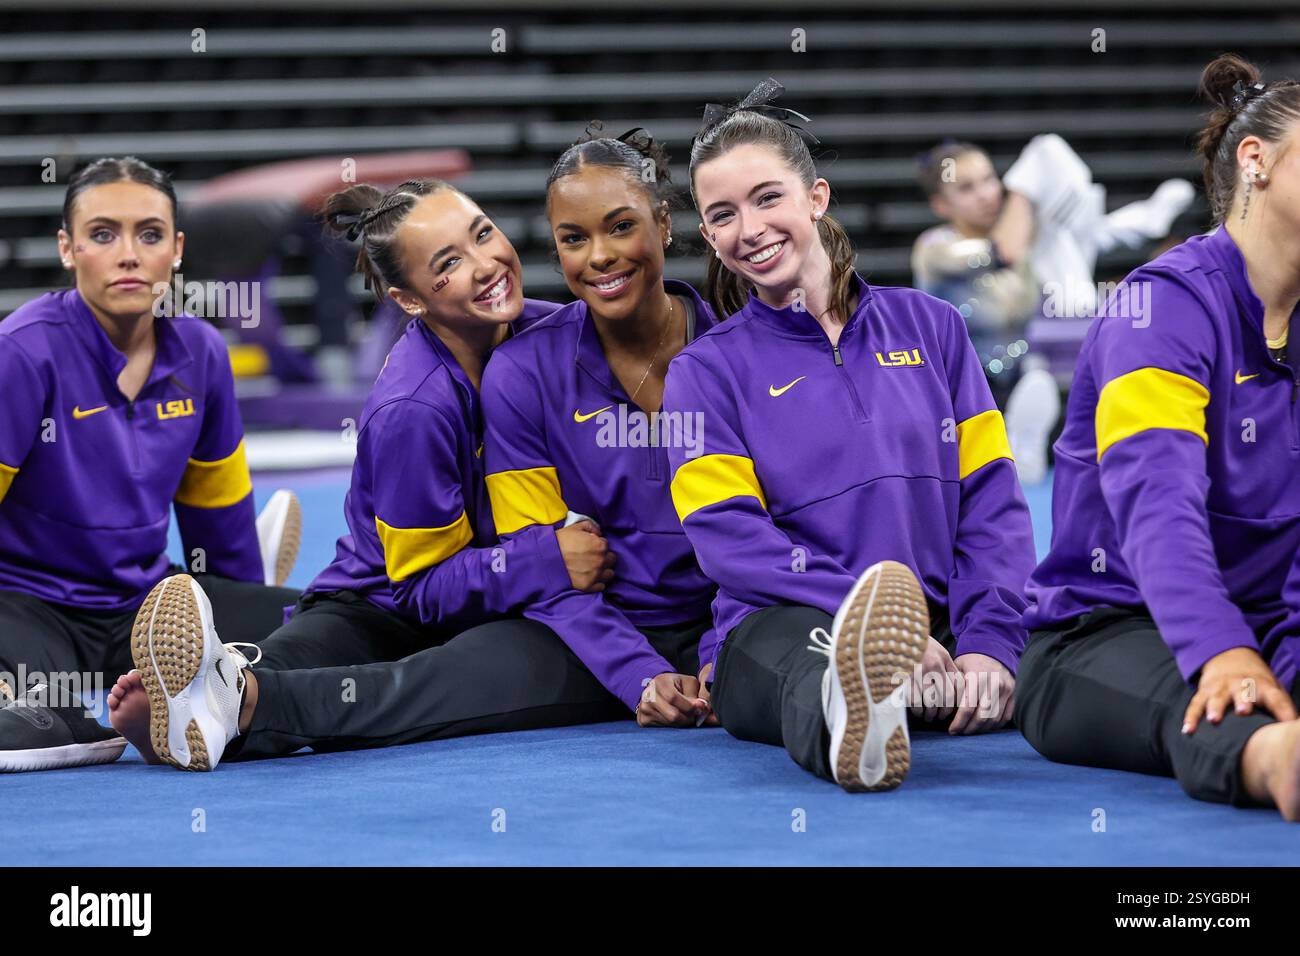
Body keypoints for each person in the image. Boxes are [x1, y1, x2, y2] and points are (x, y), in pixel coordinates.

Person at [110, 178, 628, 771]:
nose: (487, 265)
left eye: (483, 234)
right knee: (343, 669)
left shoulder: (555, 334)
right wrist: (545, 561)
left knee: (438, 674)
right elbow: (421, 589)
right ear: (409, 299)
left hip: (504, 602)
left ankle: (214, 701)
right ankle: (207, 697)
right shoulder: (415, 408)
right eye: (450, 263)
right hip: (386, 605)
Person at [662, 79, 1037, 792]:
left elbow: (992, 504)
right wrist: (858, 618)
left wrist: (990, 645)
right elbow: (729, 538)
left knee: (1059, 646)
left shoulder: (935, 328)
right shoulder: (703, 372)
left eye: (768, 197)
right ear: (709, 236)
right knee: (809, 668)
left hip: (944, 632)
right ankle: (854, 717)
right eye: (723, 215)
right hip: (791, 626)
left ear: (816, 197)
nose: (750, 228)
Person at [1016, 54, 1300, 821]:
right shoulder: (1162, 308)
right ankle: (1278, 763)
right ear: (1257, 161)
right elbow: (1157, 506)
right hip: (1108, 631)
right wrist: (1223, 651)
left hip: (1266, 626)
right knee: (1235, 713)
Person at [0, 157, 300, 773]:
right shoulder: (21, 354)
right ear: (68, 248)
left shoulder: (203, 352)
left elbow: (215, 520)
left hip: (144, 608)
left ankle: (198, 671)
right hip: (29, 604)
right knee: (44, 721)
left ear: (177, 249)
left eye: (150, 234)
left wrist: (244, 608)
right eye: (103, 234)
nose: (129, 255)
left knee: (314, 632)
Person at [481, 124, 722, 726]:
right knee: (432, 680)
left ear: (663, 223)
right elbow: (537, 554)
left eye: (621, 226)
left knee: (801, 676)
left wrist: (727, 653)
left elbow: (781, 528)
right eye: (573, 238)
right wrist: (636, 673)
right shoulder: (521, 372)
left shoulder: (741, 350)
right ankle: (245, 695)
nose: (599, 256)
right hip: (588, 634)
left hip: (736, 625)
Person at [912, 136, 1195, 483]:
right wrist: (1025, 188)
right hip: (959, 388)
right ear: (941, 205)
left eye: (989, 180)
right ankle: (1006, 439)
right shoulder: (933, 249)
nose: (987, 193)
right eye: (968, 188)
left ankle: (1023, 439)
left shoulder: (1027, 237)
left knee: (1073, 241)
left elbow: (1077, 242)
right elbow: (1003, 252)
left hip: (1020, 377)